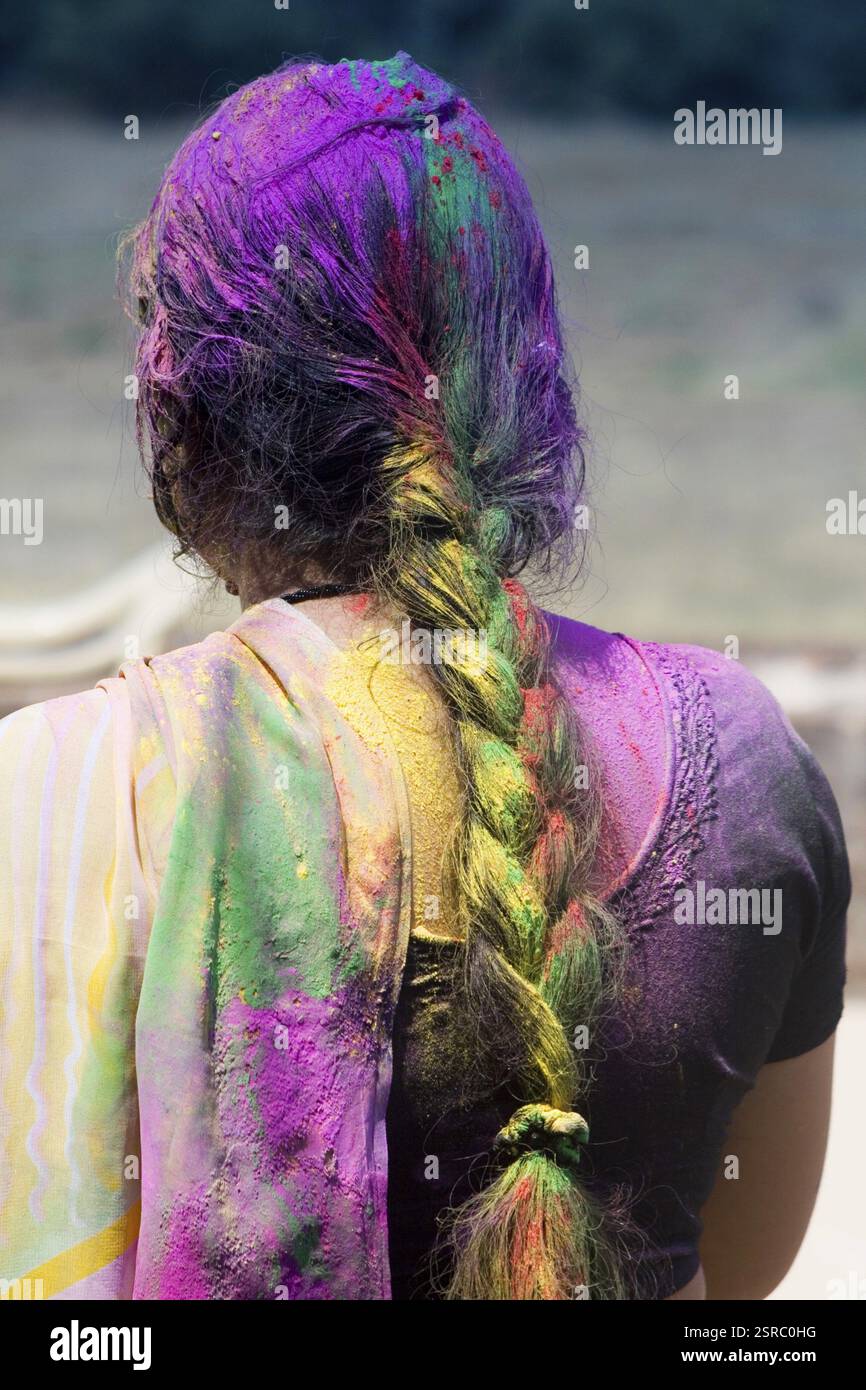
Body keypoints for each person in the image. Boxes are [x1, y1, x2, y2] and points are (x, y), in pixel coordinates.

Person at [0, 53, 850, 1301]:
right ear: (527, 368)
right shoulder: (748, 769)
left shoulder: (66, 794)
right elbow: (739, 1281)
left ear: (194, 410)